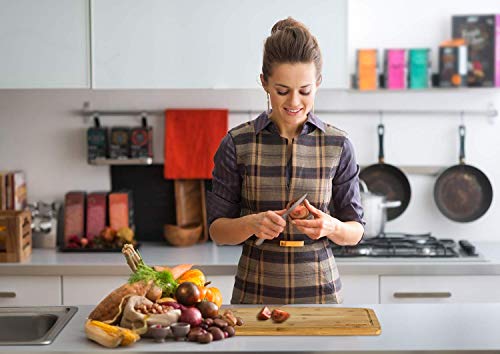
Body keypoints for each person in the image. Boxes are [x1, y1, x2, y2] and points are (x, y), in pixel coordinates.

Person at [207, 17, 364, 304]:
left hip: (321, 294)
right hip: (254, 293)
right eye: (282, 91)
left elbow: (355, 231)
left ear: (318, 84)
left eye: (305, 91)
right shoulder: (236, 143)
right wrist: (251, 224)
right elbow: (217, 230)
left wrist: (331, 227)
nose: (294, 102)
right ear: (264, 83)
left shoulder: (338, 145)